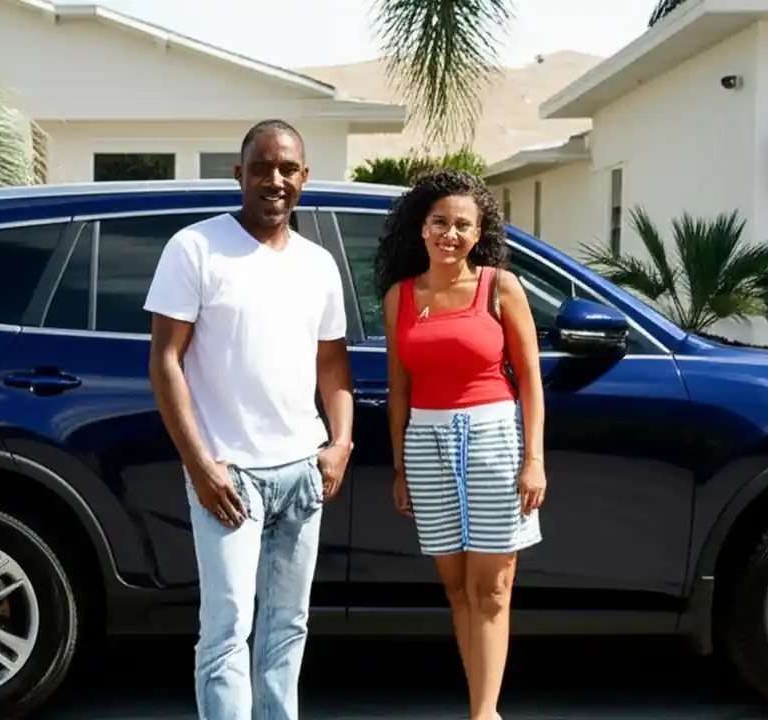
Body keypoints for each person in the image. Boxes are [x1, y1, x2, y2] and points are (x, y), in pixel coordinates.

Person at [144, 119, 354, 720]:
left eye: (288, 169)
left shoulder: (317, 265)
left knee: (287, 628)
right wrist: (201, 466)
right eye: (262, 167)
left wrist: (339, 444)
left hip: (302, 472)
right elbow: (165, 363)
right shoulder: (196, 248)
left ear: (304, 179)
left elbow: (333, 368)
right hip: (228, 474)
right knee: (227, 630)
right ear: (239, 174)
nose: (275, 180)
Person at [375, 169, 546, 720]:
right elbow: (399, 387)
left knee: (492, 588)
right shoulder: (400, 297)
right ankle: (484, 706)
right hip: (427, 443)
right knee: (456, 587)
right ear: (421, 228)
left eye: (463, 226)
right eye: (440, 222)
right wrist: (401, 467)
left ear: (479, 234)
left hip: (493, 437)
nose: (450, 233)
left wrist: (533, 460)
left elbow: (531, 380)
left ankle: (483, 715)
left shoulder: (500, 287)